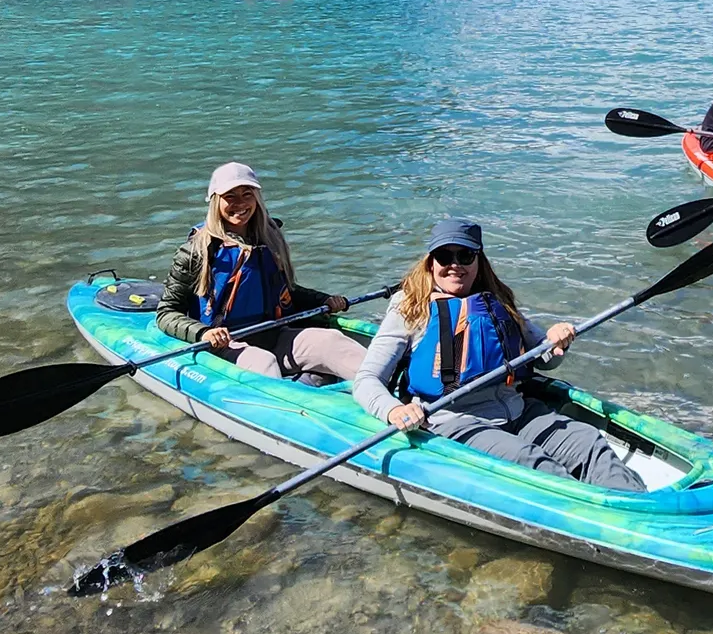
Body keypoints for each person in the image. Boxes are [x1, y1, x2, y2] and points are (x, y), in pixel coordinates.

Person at [352, 217, 641, 493]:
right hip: (455, 420)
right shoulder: (410, 308)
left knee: (589, 443)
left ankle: (642, 511)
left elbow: (547, 359)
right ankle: (596, 522)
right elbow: (366, 380)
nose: (455, 265)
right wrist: (394, 411)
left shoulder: (497, 300)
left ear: (479, 260)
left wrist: (558, 341)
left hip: (519, 411)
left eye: (465, 255)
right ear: (431, 263)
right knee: (533, 463)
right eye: (444, 256)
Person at [155, 161, 367, 383]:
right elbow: (167, 313)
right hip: (225, 344)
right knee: (262, 362)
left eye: (247, 195)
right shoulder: (196, 251)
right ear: (216, 201)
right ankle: (287, 410)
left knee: (331, 341)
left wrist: (323, 300)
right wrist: (202, 333)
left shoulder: (268, 240)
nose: (241, 204)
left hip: (272, 334)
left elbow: (286, 292)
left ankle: (387, 394)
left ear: (257, 198)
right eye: (230, 196)